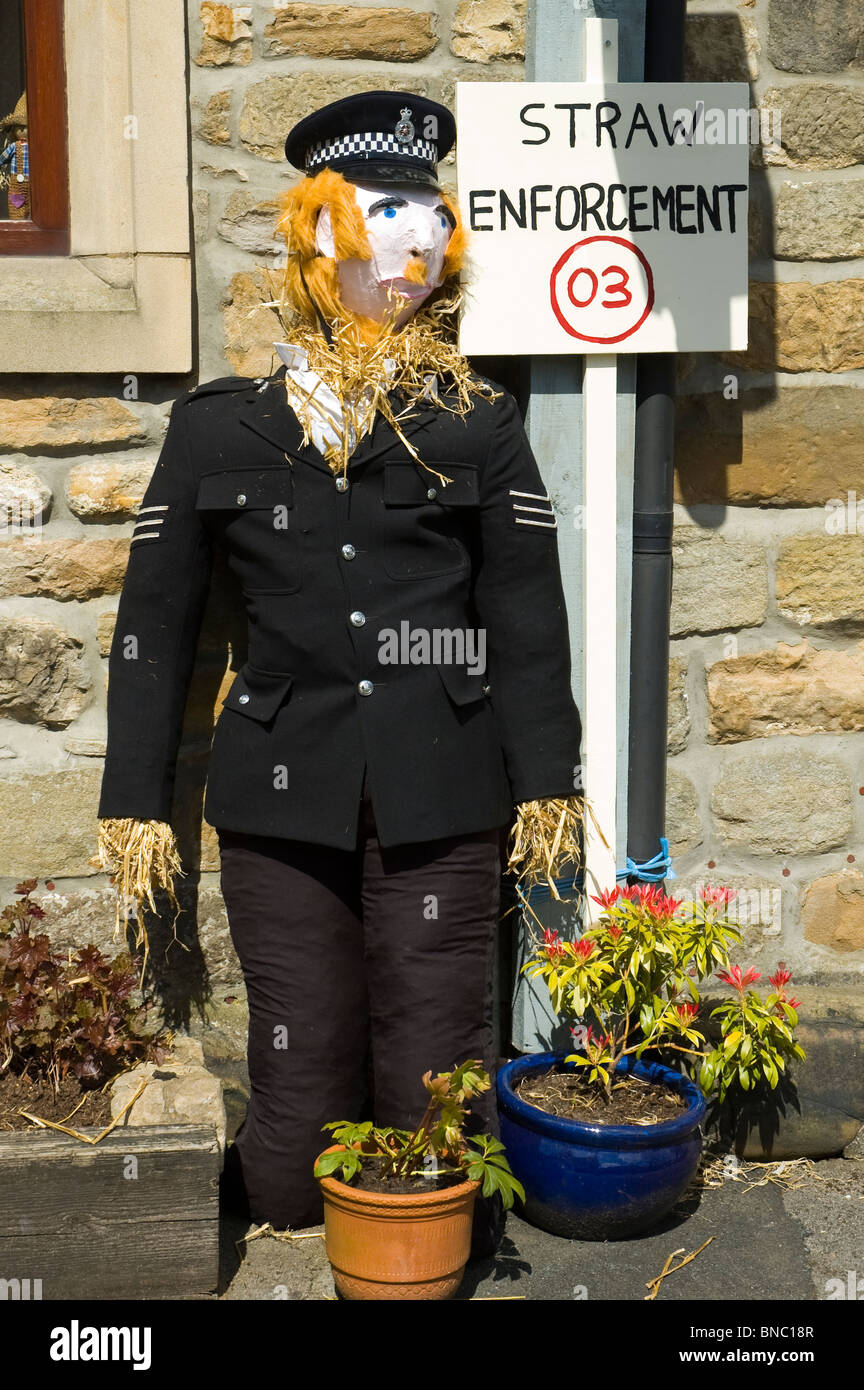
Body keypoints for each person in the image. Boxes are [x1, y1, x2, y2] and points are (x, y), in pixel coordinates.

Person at [98, 91, 582, 1252]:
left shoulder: (474, 422)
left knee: (434, 1059)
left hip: (442, 788)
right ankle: (308, 1194)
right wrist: (134, 801)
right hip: (281, 795)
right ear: (317, 232)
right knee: (293, 1116)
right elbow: (154, 622)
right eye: (383, 213)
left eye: (430, 214)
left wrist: (544, 786)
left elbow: (525, 618)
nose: (414, 242)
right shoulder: (220, 429)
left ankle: (426, 1237)